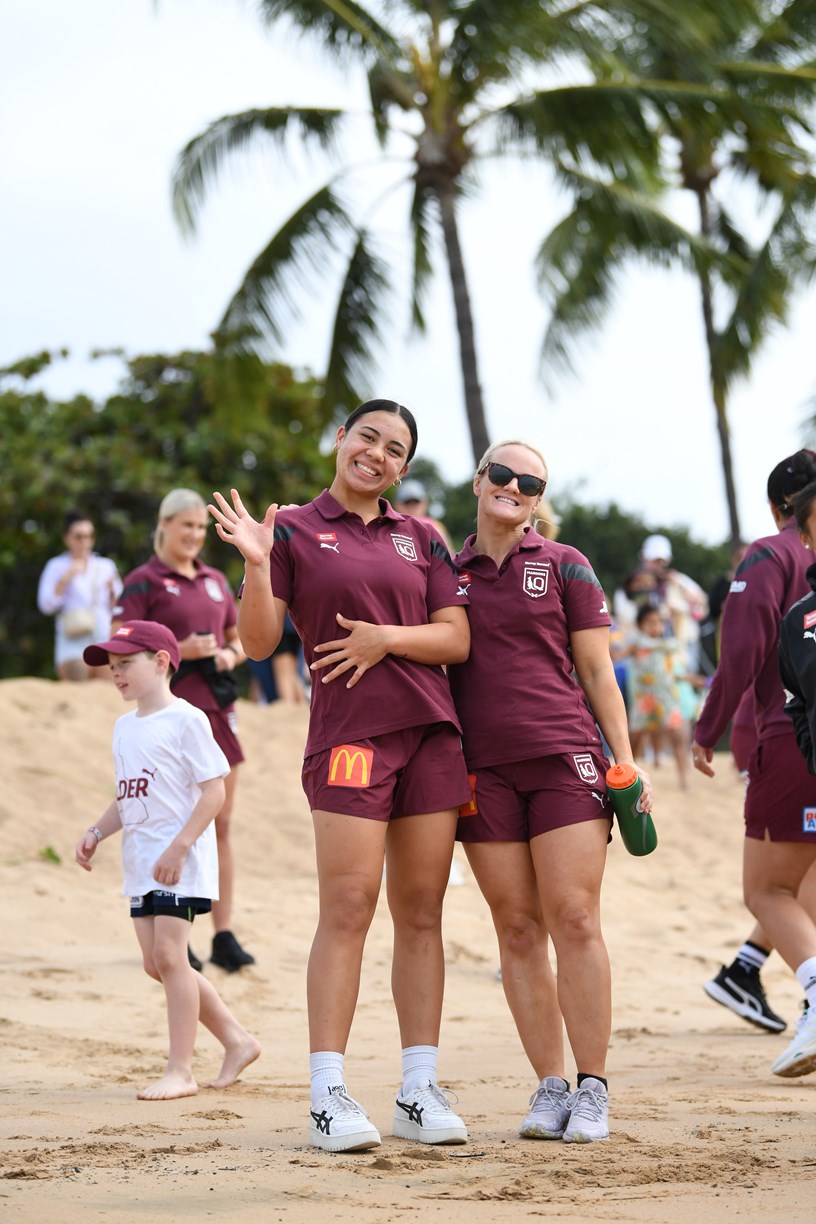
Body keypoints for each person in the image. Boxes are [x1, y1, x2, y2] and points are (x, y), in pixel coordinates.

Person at [209, 398, 473, 1153]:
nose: (379, 455)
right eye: (368, 437)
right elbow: (258, 644)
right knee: (349, 907)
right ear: (340, 439)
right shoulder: (289, 528)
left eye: (396, 449)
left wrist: (385, 640)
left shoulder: (422, 536)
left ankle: (418, 1089)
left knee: (421, 914)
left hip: (432, 738)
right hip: (350, 740)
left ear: (405, 467)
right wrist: (257, 565)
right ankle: (328, 1093)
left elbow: (454, 638)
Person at [447, 440, 652, 1144]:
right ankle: (550, 1085)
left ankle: (592, 1086)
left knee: (575, 918)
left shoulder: (566, 565)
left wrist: (625, 763)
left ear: (538, 497)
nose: (513, 485)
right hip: (483, 772)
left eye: (528, 480)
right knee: (516, 928)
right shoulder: (448, 574)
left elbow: (600, 675)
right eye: (501, 473)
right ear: (478, 481)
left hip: (567, 759)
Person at [74, 620, 260, 1100]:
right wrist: (97, 831)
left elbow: (214, 790)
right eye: (112, 668)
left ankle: (181, 1070)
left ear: (160, 662)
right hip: (141, 862)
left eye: (125, 665)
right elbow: (126, 796)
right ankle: (237, 1039)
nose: (116, 675)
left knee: (169, 956)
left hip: (180, 859)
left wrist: (181, 845)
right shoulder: (123, 727)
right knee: (156, 964)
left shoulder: (188, 719)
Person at [693, 451, 816, 1060]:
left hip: (790, 738)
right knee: (804, 878)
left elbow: (740, 654)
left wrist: (706, 728)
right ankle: (746, 972)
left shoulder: (772, 553)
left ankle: (810, 997)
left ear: (778, 508)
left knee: (768, 889)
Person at [112, 489, 254, 973]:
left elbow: (239, 639)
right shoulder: (143, 581)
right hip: (164, 714)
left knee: (223, 820)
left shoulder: (216, 580)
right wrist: (182, 653)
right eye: (185, 525)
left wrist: (227, 655)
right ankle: (178, 928)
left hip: (215, 707)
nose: (194, 535)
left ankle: (226, 932)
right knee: (169, 818)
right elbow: (121, 647)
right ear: (164, 525)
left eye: (200, 527)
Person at [37, 511, 122, 681]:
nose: (84, 542)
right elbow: (46, 605)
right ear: (67, 538)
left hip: (103, 637)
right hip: (72, 640)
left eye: (89, 536)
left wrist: (113, 592)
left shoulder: (105, 566)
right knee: (76, 689)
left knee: (107, 693)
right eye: (79, 536)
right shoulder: (56, 566)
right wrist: (65, 579)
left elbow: (120, 607)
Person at [625, 603, 696, 788]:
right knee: (635, 738)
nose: (656, 626)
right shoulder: (636, 645)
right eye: (650, 622)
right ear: (640, 625)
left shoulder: (669, 647)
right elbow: (615, 655)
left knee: (678, 736)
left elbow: (674, 671)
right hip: (645, 699)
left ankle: (684, 779)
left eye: (658, 622)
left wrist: (691, 679)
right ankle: (629, 775)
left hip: (667, 698)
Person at [393, 478, 453, 548]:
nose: (412, 507)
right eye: (407, 503)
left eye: (416, 503)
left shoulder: (435, 527)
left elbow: (447, 556)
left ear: (425, 503)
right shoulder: (389, 526)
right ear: (396, 504)